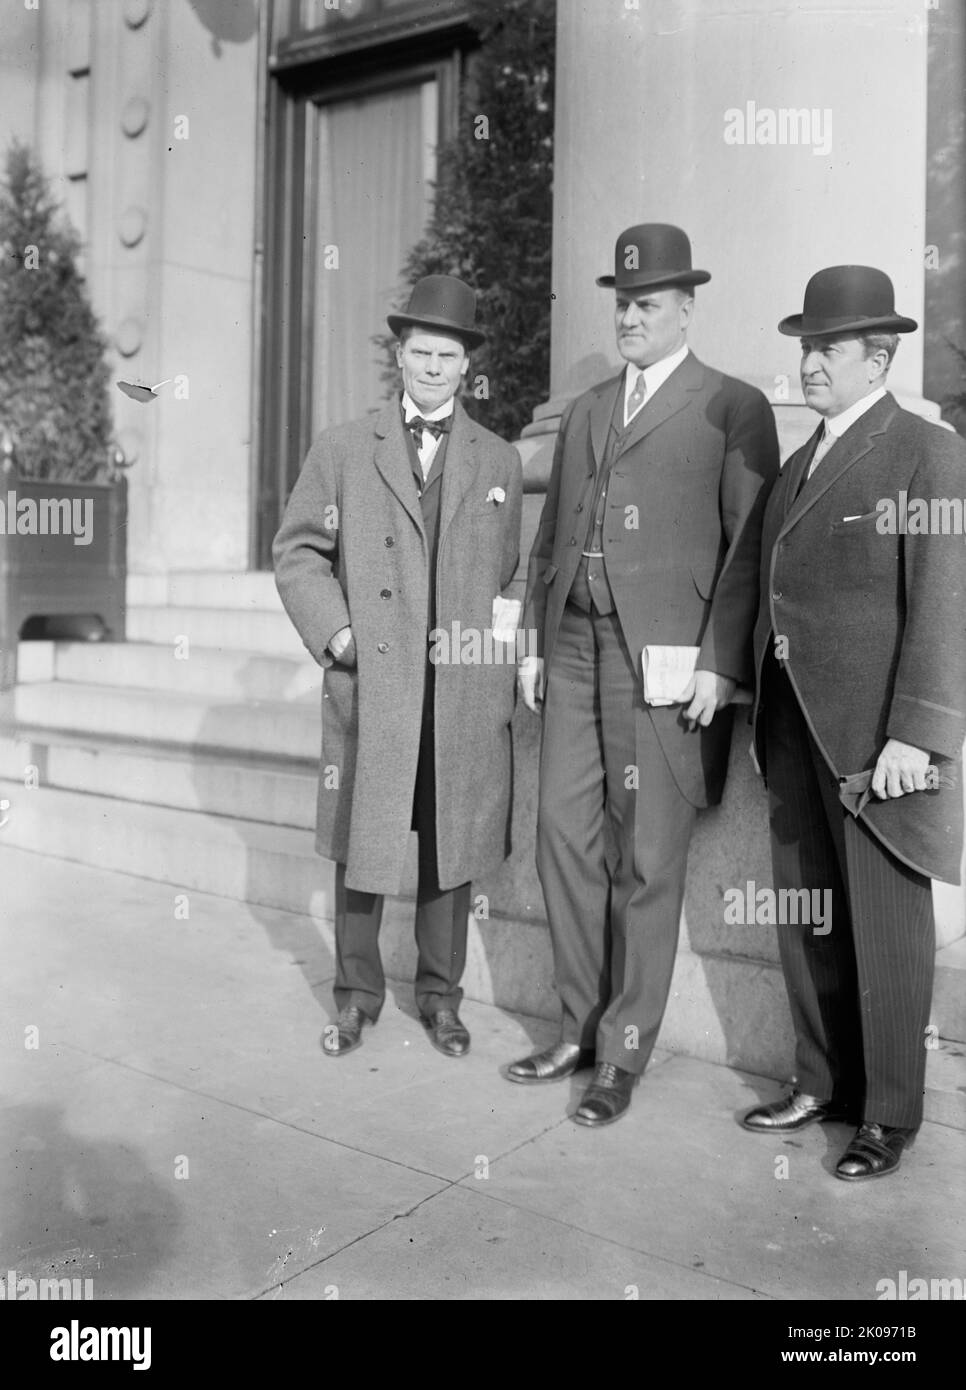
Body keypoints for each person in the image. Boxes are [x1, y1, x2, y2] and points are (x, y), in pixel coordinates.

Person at [508, 223, 779, 1125]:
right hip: (575, 648)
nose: (630, 317)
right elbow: (552, 534)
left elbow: (750, 545)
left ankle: (622, 1056)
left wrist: (721, 660)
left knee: (649, 856)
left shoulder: (731, 406)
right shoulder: (587, 408)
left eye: (647, 304)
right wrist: (535, 641)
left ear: (685, 310)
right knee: (559, 830)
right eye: (622, 303)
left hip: (660, 665)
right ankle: (579, 1026)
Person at [741, 264, 966, 1178]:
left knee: (884, 919)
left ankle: (889, 1114)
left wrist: (921, 732)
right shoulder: (799, 464)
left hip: (879, 738)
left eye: (827, 348)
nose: (809, 363)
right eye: (804, 346)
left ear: (879, 355)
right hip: (793, 726)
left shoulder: (927, 450)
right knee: (807, 912)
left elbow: (946, 600)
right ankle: (820, 1081)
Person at [274, 275, 522, 1059]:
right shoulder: (345, 448)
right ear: (399, 354)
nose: (434, 368)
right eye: (421, 353)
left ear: (466, 363)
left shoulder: (499, 460)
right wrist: (338, 635)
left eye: (448, 355)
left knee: (452, 845)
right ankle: (355, 998)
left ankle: (442, 1001)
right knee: (363, 841)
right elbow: (298, 552)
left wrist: (498, 655)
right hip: (374, 686)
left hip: (459, 690)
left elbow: (511, 574)